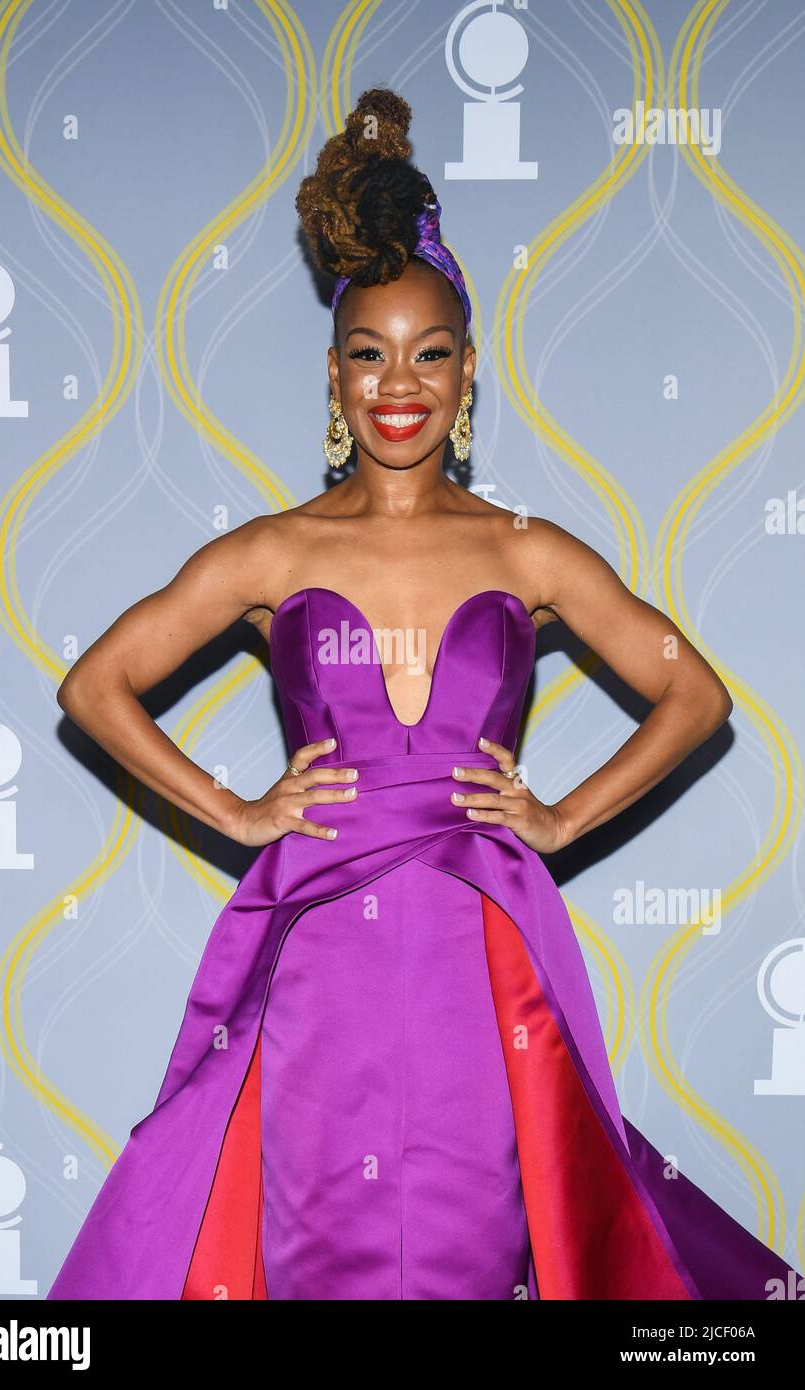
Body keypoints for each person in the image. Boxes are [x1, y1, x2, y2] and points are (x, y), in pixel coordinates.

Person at [46, 89, 799, 1301]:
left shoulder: (524, 551)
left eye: (429, 352)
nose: (400, 383)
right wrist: (238, 809)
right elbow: (96, 684)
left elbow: (693, 698)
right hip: (318, 965)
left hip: (478, 957)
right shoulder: (273, 553)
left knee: (468, 1243)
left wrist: (555, 820)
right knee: (312, 1249)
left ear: (464, 372)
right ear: (335, 376)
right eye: (369, 353)